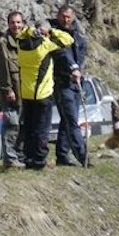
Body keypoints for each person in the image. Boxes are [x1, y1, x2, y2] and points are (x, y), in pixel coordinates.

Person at [15, 19, 74, 170]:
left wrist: (32, 30)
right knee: (42, 129)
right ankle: (40, 160)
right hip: (42, 93)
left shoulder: (20, 44)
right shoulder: (45, 45)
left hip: (26, 92)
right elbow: (68, 40)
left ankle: (28, 158)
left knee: (29, 127)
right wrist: (51, 31)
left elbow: (23, 32)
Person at [49, 4, 89, 167]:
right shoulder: (54, 34)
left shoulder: (78, 35)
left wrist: (79, 70)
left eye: (68, 16)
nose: (66, 19)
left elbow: (81, 55)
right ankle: (83, 157)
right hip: (62, 82)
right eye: (63, 16)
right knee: (72, 120)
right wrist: (72, 68)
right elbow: (62, 54)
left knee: (67, 121)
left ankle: (62, 155)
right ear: (58, 16)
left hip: (76, 83)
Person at [0, 11, 25, 169]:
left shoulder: (25, 41)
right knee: (11, 125)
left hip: (24, 91)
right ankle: (9, 159)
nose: (16, 25)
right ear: (8, 24)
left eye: (18, 22)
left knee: (22, 125)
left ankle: (19, 156)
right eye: (13, 22)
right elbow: (0, 69)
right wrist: (7, 89)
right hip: (11, 93)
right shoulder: (3, 43)